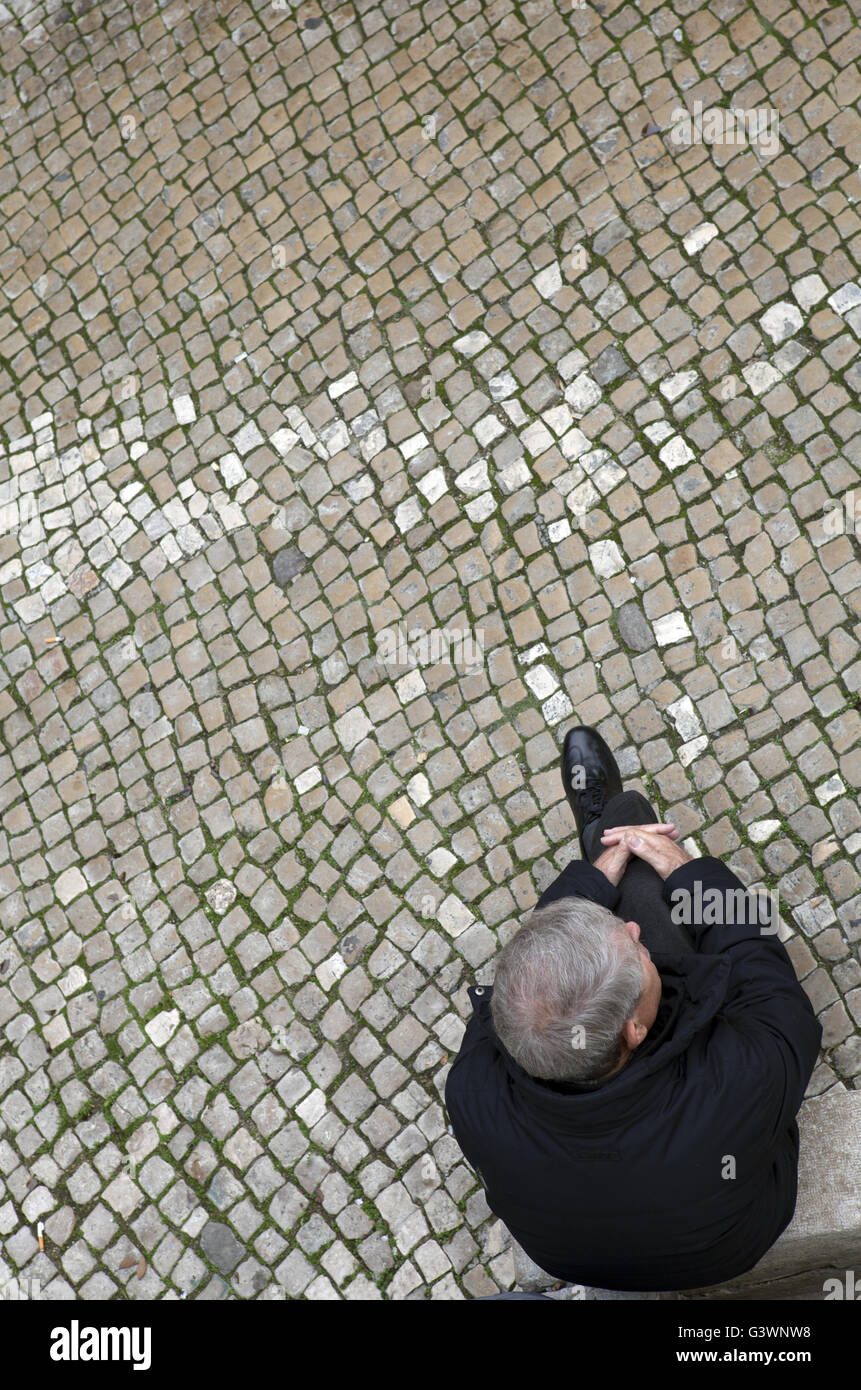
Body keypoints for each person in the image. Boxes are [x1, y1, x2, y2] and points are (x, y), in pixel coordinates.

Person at [445, 726, 822, 1292]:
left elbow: (509, 990)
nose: (633, 929)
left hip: (579, 1258)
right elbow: (765, 978)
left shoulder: (471, 1092)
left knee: (622, 874)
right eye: (636, 949)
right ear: (636, 1028)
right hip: (741, 1233)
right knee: (639, 851)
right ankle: (612, 824)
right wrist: (690, 873)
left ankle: (602, 837)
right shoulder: (742, 1079)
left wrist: (594, 877)